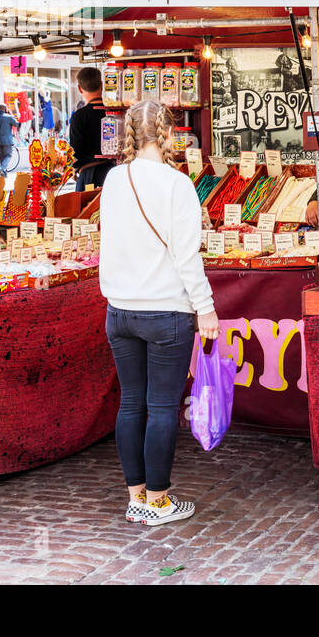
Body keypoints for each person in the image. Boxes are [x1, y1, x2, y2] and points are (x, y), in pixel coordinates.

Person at [99, 99, 220, 526]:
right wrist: (205, 308)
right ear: (169, 135)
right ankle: (158, 500)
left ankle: (137, 496)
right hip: (166, 312)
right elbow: (188, 257)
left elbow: (109, 243)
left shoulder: (113, 180)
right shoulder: (177, 184)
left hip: (121, 310)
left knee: (132, 402)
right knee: (163, 406)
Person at [70, 67, 114, 190]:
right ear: (102, 85)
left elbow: (74, 152)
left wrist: (75, 168)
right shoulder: (115, 113)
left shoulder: (78, 117)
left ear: (79, 88)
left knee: (89, 208)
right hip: (114, 174)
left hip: (89, 176)